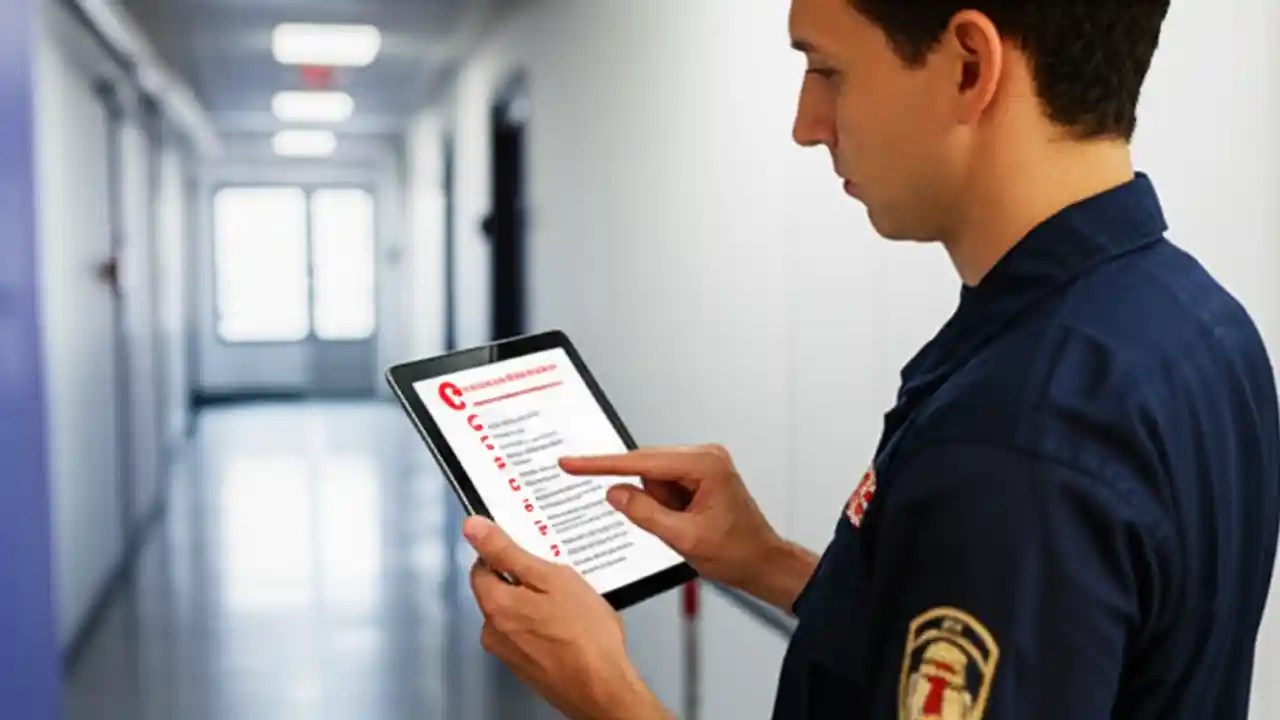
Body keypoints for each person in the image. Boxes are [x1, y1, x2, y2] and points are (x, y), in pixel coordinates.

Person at [460, 0, 1280, 717]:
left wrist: (608, 695)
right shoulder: (1202, 325)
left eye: (827, 70)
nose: (806, 123)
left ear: (968, 66)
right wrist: (768, 562)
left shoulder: (1011, 438)